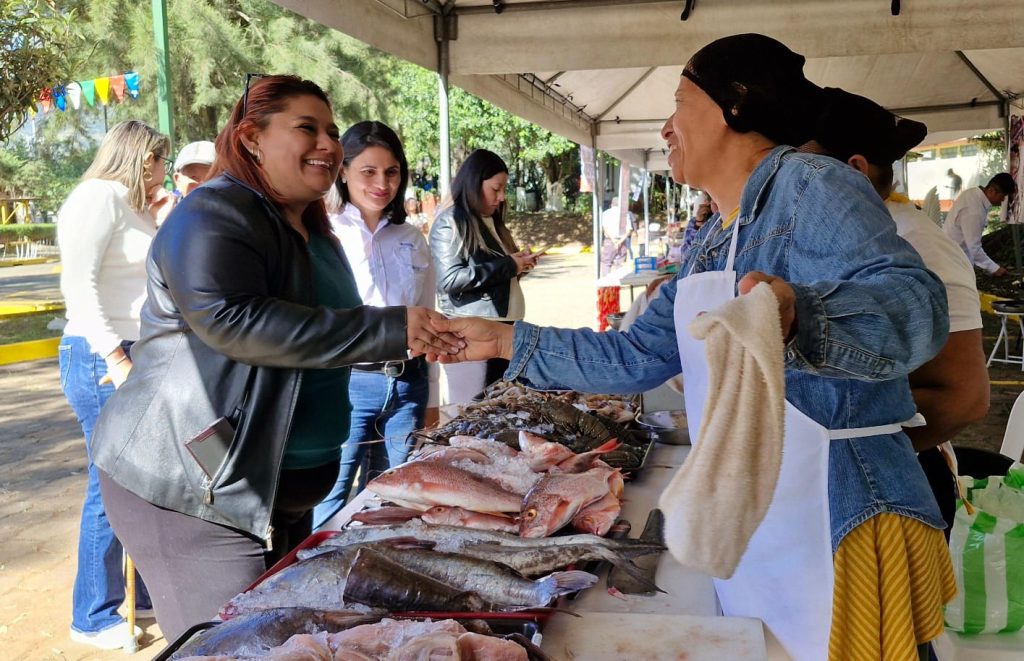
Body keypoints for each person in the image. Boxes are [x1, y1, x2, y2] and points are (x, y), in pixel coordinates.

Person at [431, 34, 954, 661]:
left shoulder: (811, 185)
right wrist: (503, 338)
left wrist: (803, 317)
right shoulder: (713, 236)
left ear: (734, 106)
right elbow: (635, 359)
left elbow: (917, 307)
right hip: (758, 519)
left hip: (837, 511)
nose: (667, 126)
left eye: (680, 102)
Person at [88, 75, 462, 641]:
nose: (328, 144)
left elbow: (320, 337)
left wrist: (417, 341)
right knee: (236, 648)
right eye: (306, 128)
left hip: (279, 490)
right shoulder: (212, 214)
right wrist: (388, 329)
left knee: (290, 643)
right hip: (195, 487)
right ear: (252, 137)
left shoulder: (310, 226)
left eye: (332, 131)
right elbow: (234, 321)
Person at [811, 87, 990, 533]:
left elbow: (964, 398)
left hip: (896, 486)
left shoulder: (917, 247)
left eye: (804, 173)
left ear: (854, 170)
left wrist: (860, 455)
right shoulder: (845, 241)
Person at [56, 120, 168, 649]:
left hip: (138, 352)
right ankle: (93, 614)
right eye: (158, 161)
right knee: (110, 489)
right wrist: (115, 356)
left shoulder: (136, 208)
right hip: (102, 355)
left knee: (142, 483)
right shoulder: (96, 198)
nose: (162, 172)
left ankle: (141, 592)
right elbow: (79, 287)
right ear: (139, 157)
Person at [313, 121, 438, 529]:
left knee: (394, 490)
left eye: (392, 172)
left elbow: (425, 311)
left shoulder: (411, 237)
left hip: (408, 381)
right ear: (343, 171)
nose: (382, 183)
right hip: (348, 382)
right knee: (332, 492)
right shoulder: (324, 233)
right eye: (368, 171)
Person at [429, 149, 539, 403]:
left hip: (504, 328)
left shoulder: (491, 221)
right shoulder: (451, 222)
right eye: (495, 189)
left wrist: (519, 265)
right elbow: (449, 281)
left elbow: (497, 274)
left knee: (500, 405)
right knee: (473, 408)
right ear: (473, 182)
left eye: (503, 190)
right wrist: (509, 265)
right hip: (472, 331)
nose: (501, 198)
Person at [943, 172, 1016, 276]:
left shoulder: (972, 194)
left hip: (955, 257)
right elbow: (974, 247)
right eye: (1003, 196)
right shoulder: (974, 209)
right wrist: (995, 268)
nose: (1003, 200)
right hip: (954, 260)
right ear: (991, 191)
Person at [150, 140, 216, 225]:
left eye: (210, 178)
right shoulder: (165, 212)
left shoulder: (231, 212)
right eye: (194, 177)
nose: (202, 185)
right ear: (177, 180)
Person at [599, 196, 635, 275]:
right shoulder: (625, 214)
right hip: (622, 241)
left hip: (609, 241)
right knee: (620, 263)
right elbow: (629, 230)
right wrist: (620, 241)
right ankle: (618, 282)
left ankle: (607, 283)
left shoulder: (606, 213)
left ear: (611, 204)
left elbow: (605, 228)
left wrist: (613, 240)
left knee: (606, 263)